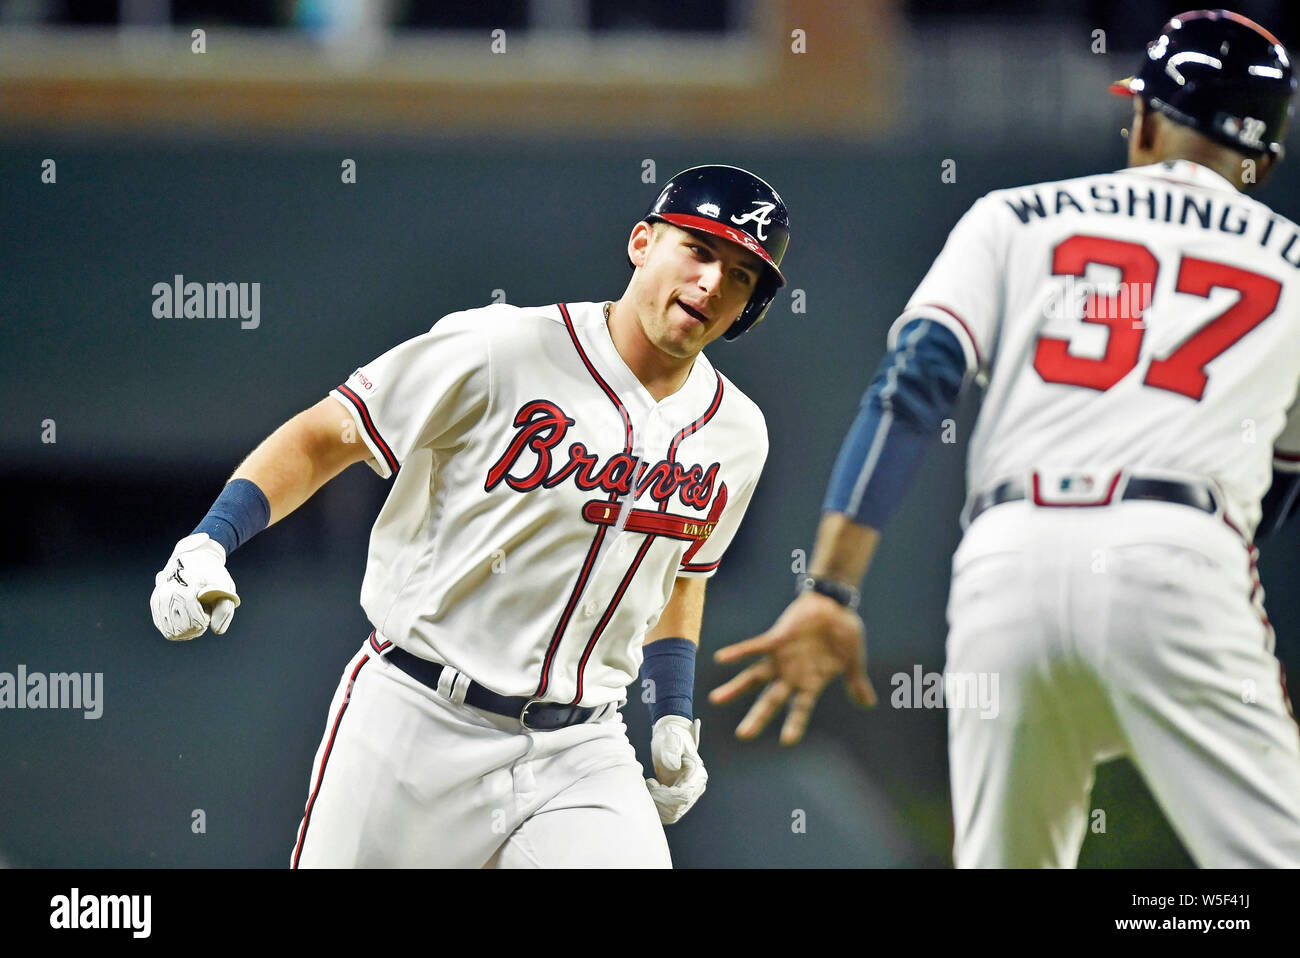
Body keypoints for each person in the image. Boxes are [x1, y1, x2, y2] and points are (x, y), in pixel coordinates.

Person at [711, 9, 1300, 867]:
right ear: (1267, 159)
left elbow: (910, 389)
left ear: (1142, 117)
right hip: (1179, 551)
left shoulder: (1018, 216)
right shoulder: (1291, 262)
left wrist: (831, 591)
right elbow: (1278, 486)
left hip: (1007, 562)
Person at [149, 164, 789, 867]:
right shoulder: (502, 348)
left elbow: (681, 575)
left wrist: (671, 709)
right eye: (698, 250)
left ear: (749, 309)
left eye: (740, 276)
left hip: (581, 750)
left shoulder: (738, 434)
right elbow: (326, 436)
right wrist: (211, 539)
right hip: (418, 718)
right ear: (642, 243)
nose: (711, 283)